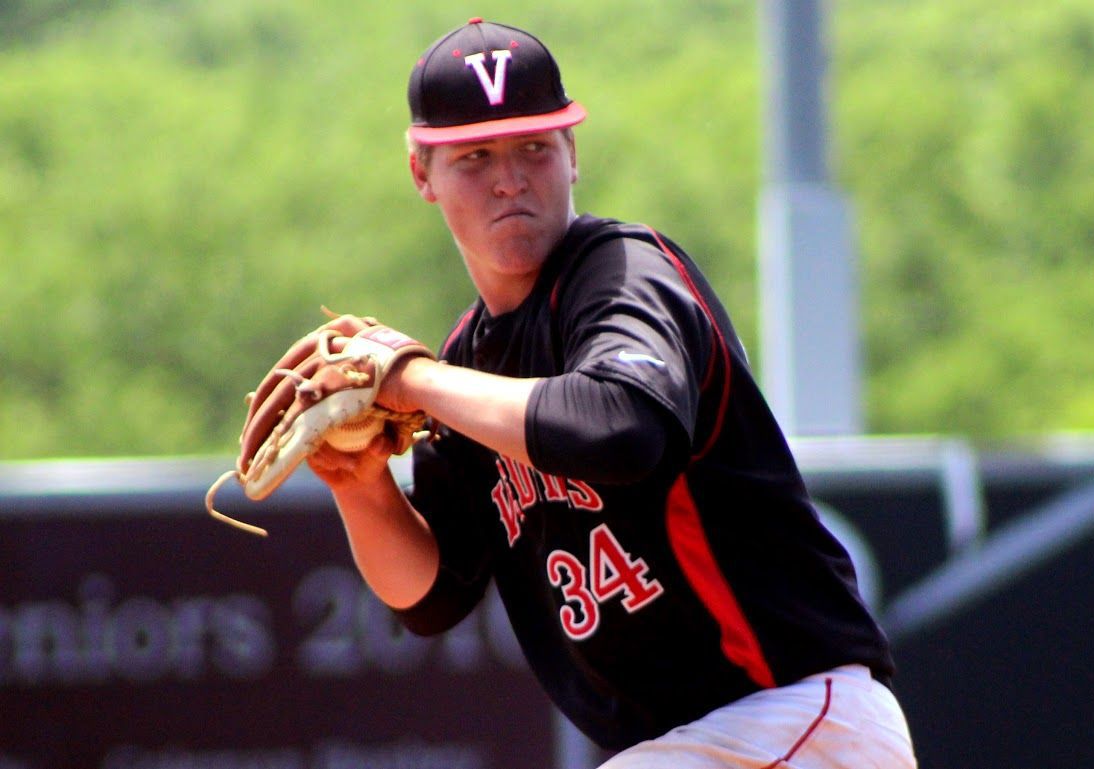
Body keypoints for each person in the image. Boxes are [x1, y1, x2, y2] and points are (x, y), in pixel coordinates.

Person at [305, 18, 918, 768]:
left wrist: (413, 381)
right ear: (420, 173)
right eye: (473, 156)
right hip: (704, 743)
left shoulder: (621, 272)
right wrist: (360, 486)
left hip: (785, 711)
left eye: (534, 146)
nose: (509, 176)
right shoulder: (468, 363)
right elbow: (432, 594)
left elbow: (621, 428)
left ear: (572, 155)